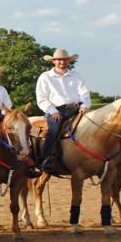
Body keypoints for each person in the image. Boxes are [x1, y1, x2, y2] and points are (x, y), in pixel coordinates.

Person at [35, 48, 90, 177]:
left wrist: (85, 105)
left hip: (75, 108)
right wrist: (53, 111)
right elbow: (42, 98)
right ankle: (46, 159)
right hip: (55, 109)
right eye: (59, 60)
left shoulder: (76, 75)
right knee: (54, 130)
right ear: (54, 61)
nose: (62, 62)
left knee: (90, 127)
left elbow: (85, 94)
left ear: (68, 61)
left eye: (65, 60)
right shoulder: (45, 77)